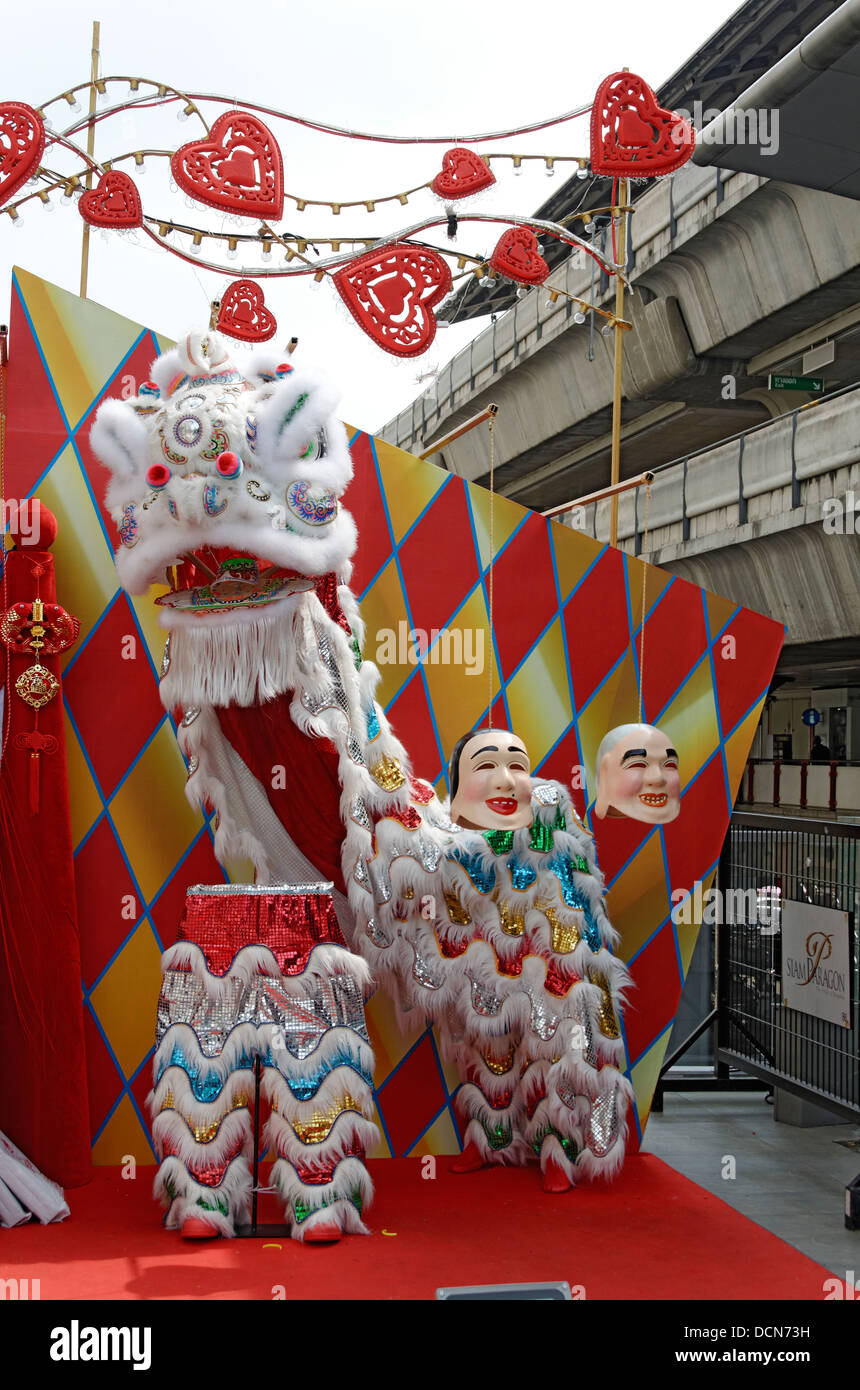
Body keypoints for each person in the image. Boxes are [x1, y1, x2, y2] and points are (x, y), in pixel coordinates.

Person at [373, 728, 634, 1193]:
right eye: (486, 765)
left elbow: (573, 872)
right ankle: (492, 1138)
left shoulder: (547, 807)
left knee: (555, 1045)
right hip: (484, 949)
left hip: (548, 945)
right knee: (486, 1044)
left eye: (516, 764)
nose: (505, 777)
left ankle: (558, 1148)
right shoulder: (442, 830)